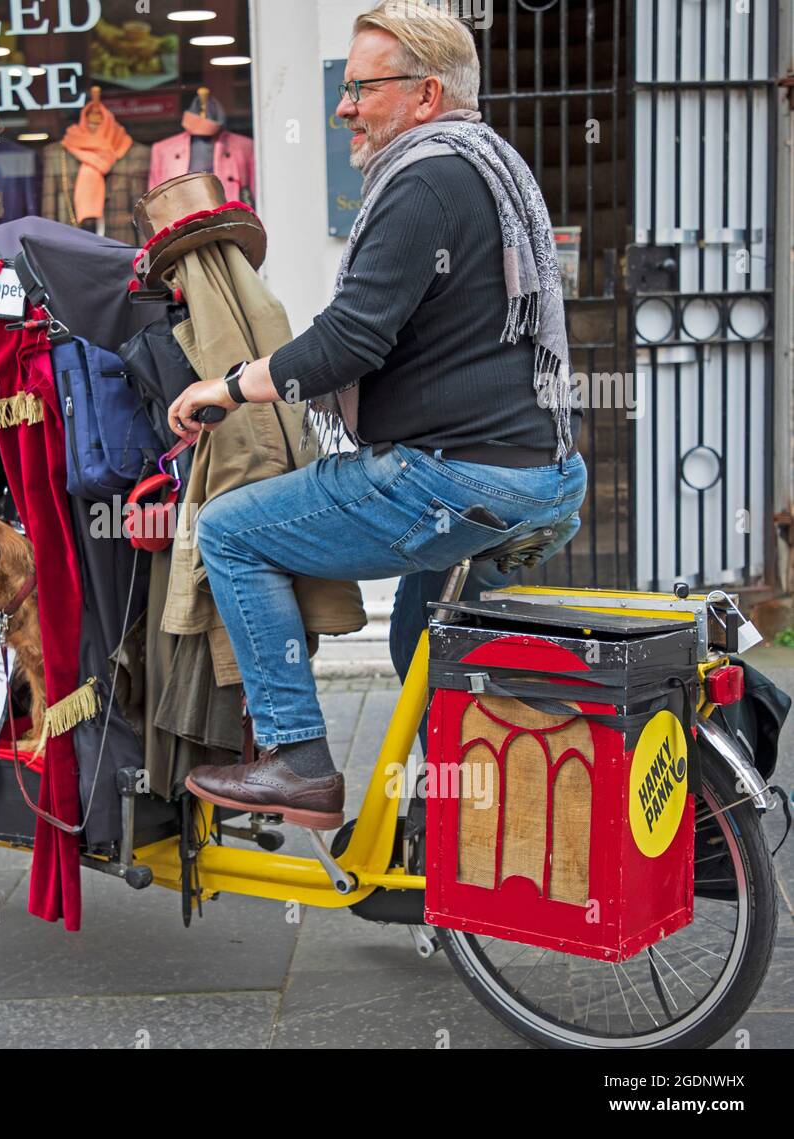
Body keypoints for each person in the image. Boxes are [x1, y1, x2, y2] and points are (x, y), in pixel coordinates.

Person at [166, 0, 588, 830]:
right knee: (420, 643)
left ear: (426, 94)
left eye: (363, 88)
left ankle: (299, 762)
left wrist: (228, 385)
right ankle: (450, 827)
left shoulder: (424, 179)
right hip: (543, 480)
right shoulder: (488, 163)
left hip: (454, 478)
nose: (343, 106)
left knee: (229, 529)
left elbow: (348, 342)